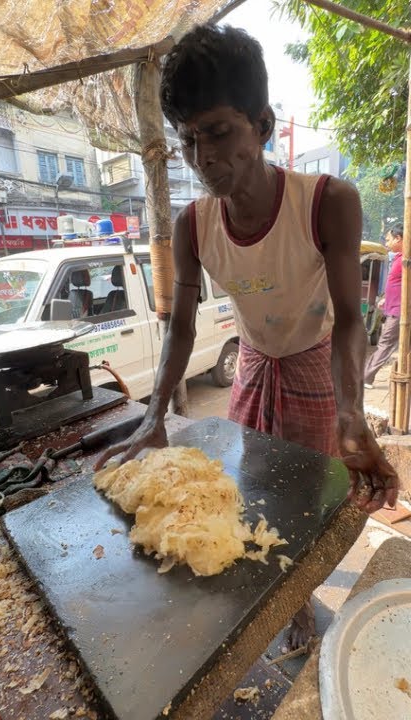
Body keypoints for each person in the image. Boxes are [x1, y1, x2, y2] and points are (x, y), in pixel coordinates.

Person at [97, 24, 398, 652]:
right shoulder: (193, 225)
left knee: (312, 502)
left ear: (262, 125)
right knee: (250, 491)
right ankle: (272, 599)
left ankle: (300, 602)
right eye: (188, 140)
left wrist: (350, 413)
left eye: (218, 132)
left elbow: (349, 317)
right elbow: (181, 326)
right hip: (256, 365)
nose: (203, 157)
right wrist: (154, 415)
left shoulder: (327, 202)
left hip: (314, 362)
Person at [364, 224, 405, 388]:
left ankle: (366, 377)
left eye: (388, 240)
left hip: (399, 311)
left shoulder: (406, 259)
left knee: (385, 344)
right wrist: (386, 298)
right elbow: (397, 283)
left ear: (398, 238)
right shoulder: (399, 257)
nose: (386, 243)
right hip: (394, 308)